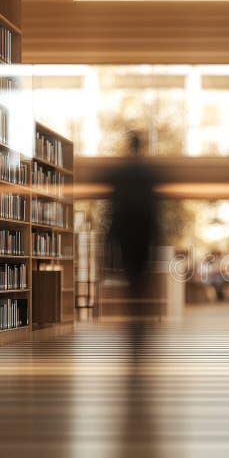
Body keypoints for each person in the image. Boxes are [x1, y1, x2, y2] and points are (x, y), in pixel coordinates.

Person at [106, 132, 160, 354]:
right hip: (143, 233)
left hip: (126, 233)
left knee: (131, 278)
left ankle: (134, 323)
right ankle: (138, 324)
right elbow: (154, 209)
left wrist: (108, 238)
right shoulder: (148, 174)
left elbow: (114, 209)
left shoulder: (120, 174)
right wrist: (157, 236)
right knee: (140, 279)